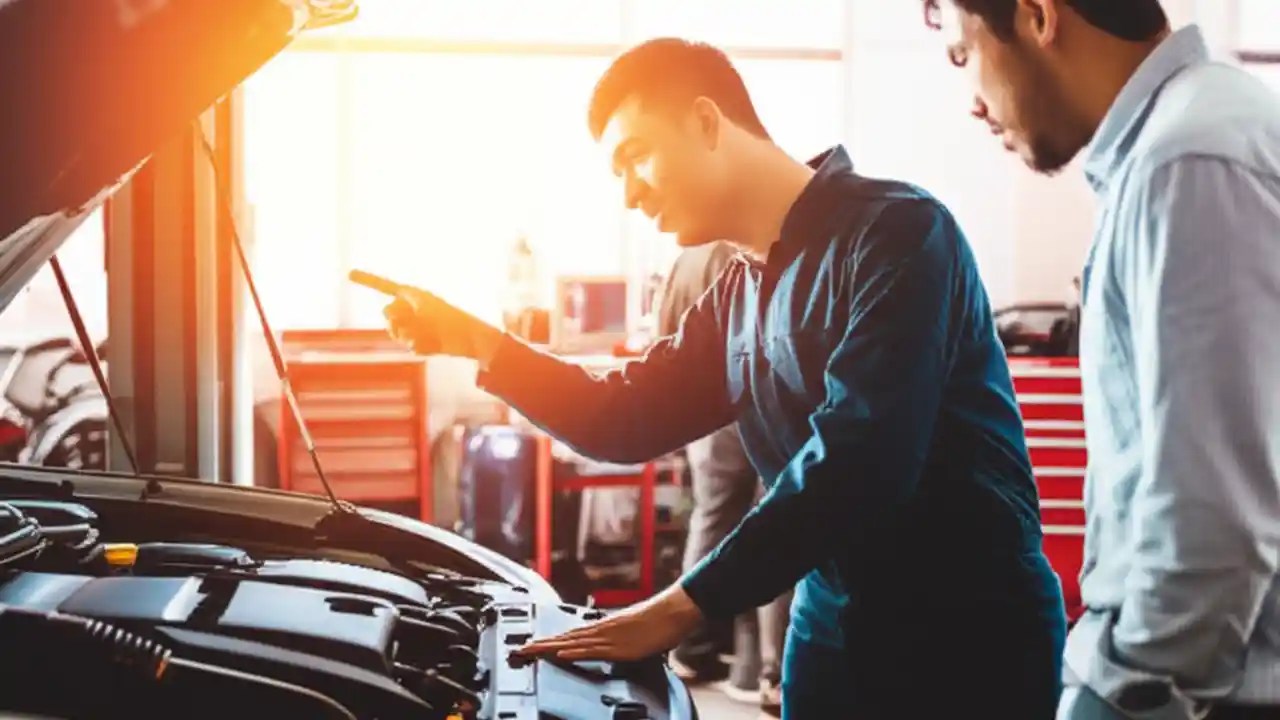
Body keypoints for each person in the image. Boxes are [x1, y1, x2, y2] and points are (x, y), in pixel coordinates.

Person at [383, 37, 1066, 718]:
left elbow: (865, 458)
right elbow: (623, 417)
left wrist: (682, 606)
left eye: (635, 157)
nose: (627, 194)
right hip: (831, 620)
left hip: (967, 626)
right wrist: (484, 347)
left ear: (706, 123)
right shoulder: (739, 292)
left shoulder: (901, 234)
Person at [923, 1, 1280, 718]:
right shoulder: (1191, 136)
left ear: (1037, 16)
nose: (973, 104)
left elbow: (1210, 518)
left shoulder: (1189, 157)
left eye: (966, 56)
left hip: (1202, 692)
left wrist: (1122, 695)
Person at [656, 240, 790, 715]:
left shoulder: (687, 258)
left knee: (711, 521)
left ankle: (692, 650)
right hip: (759, 403)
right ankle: (772, 674)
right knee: (779, 524)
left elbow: (664, 338)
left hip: (705, 413)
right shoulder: (754, 246)